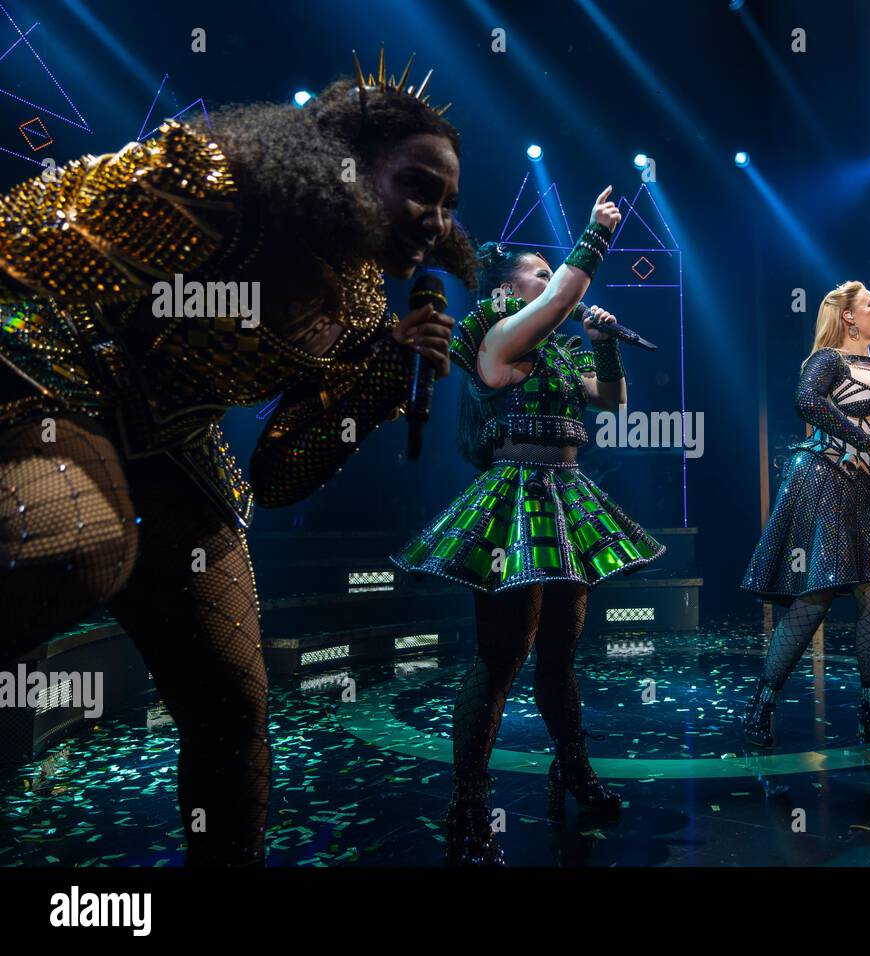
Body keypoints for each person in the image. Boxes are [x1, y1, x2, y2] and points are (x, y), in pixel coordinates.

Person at [0, 48, 472, 865]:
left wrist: (386, 374)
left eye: (449, 202)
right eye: (418, 186)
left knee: (234, 708)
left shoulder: (360, 300)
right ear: (348, 169)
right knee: (85, 546)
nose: (436, 219)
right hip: (54, 370)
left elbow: (281, 474)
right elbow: (18, 242)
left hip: (175, 446)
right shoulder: (215, 182)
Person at [391, 201, 665, 866]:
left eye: (552, 272)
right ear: (506, 291)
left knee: (559, 657)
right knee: (500, 661)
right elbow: (572, 286)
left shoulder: (554, 349)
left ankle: (572, 768)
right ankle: (468, 802)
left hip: (566, 497)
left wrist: (600, 339)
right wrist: (599, 231)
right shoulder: (496, 336)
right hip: (516, 497)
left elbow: (611, 401)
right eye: (540, 273)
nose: (556, 281)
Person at [739, 281, 870, 748]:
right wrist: (866, 441)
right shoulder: (828, 360)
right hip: (824, 477)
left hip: (868, 486)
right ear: (848, 317)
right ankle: (763, 701)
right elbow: (805, 403)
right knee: (819, 593)